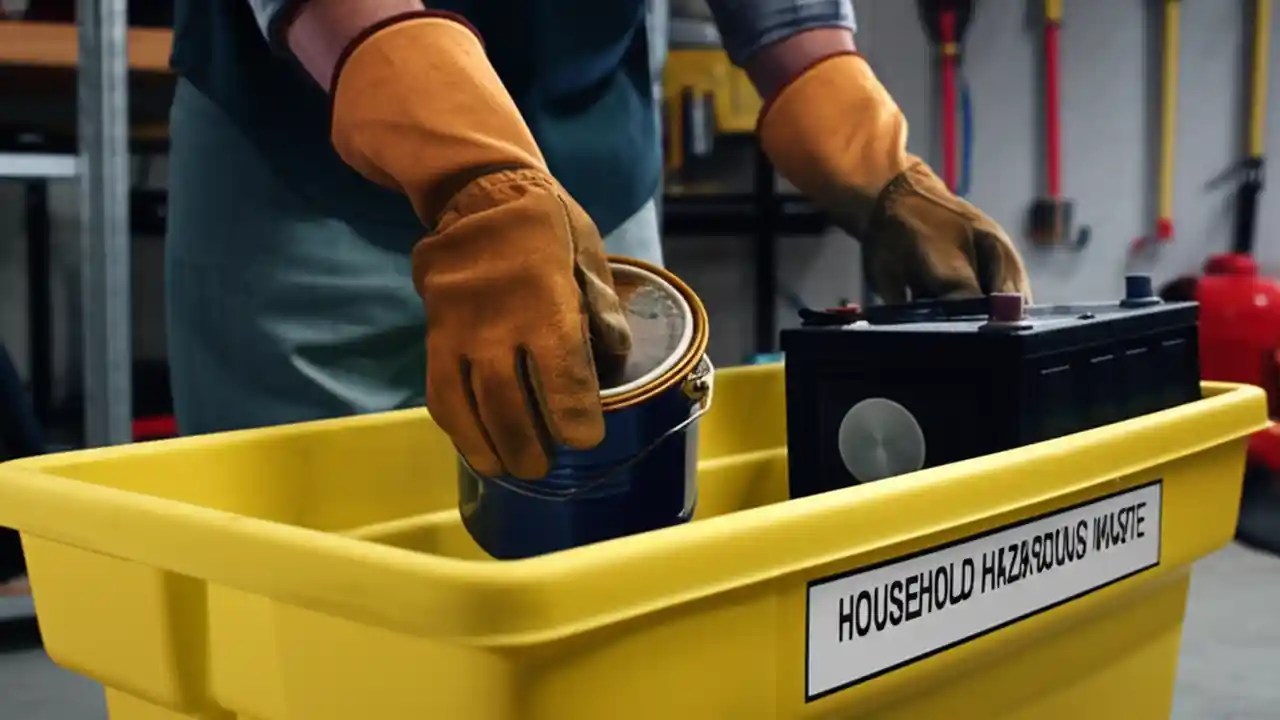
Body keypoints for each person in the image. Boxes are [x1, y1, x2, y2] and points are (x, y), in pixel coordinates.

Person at [165, 0, 1031, 482]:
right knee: (314, 557)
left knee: (612, 521)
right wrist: (474, 173)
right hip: (305, 149)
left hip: (587, 152)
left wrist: (862, 149)